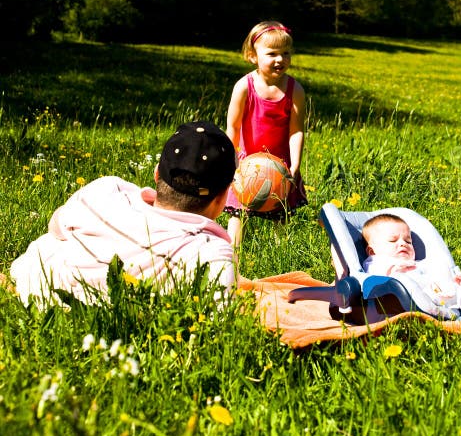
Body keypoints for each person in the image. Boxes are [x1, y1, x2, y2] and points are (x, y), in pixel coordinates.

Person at [9, 121, 238, 306]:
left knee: (57, 239)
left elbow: (55, 227)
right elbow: (221, 315)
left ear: (157, 174)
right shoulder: (209, 251)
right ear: (222, 197)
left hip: (37, 289)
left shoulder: (109, 190)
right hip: (106, 318)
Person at [224, 21, 307, 246]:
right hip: (247, 164)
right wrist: (232, 160)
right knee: (238, 212)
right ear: (253, 56)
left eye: (286, 53)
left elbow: (297, 130)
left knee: (280, 213)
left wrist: (295, 164)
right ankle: (232, 252)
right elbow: (232, 127)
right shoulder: (244, 86)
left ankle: (279, 253)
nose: (280, 59)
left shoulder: (295, 90)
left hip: (280, 164)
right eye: (272, 54)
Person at [361, 214, 461, 311]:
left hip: (450, 298)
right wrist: (392, 270)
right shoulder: (377, 262)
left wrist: (456, 280)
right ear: (372, 251)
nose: (403, 244)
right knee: (405, 283)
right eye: (392, 240)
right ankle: (458, 304)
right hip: (417, 299)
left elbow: (440, 275)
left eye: (408, 241)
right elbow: (373, 277)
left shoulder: (424, 263)